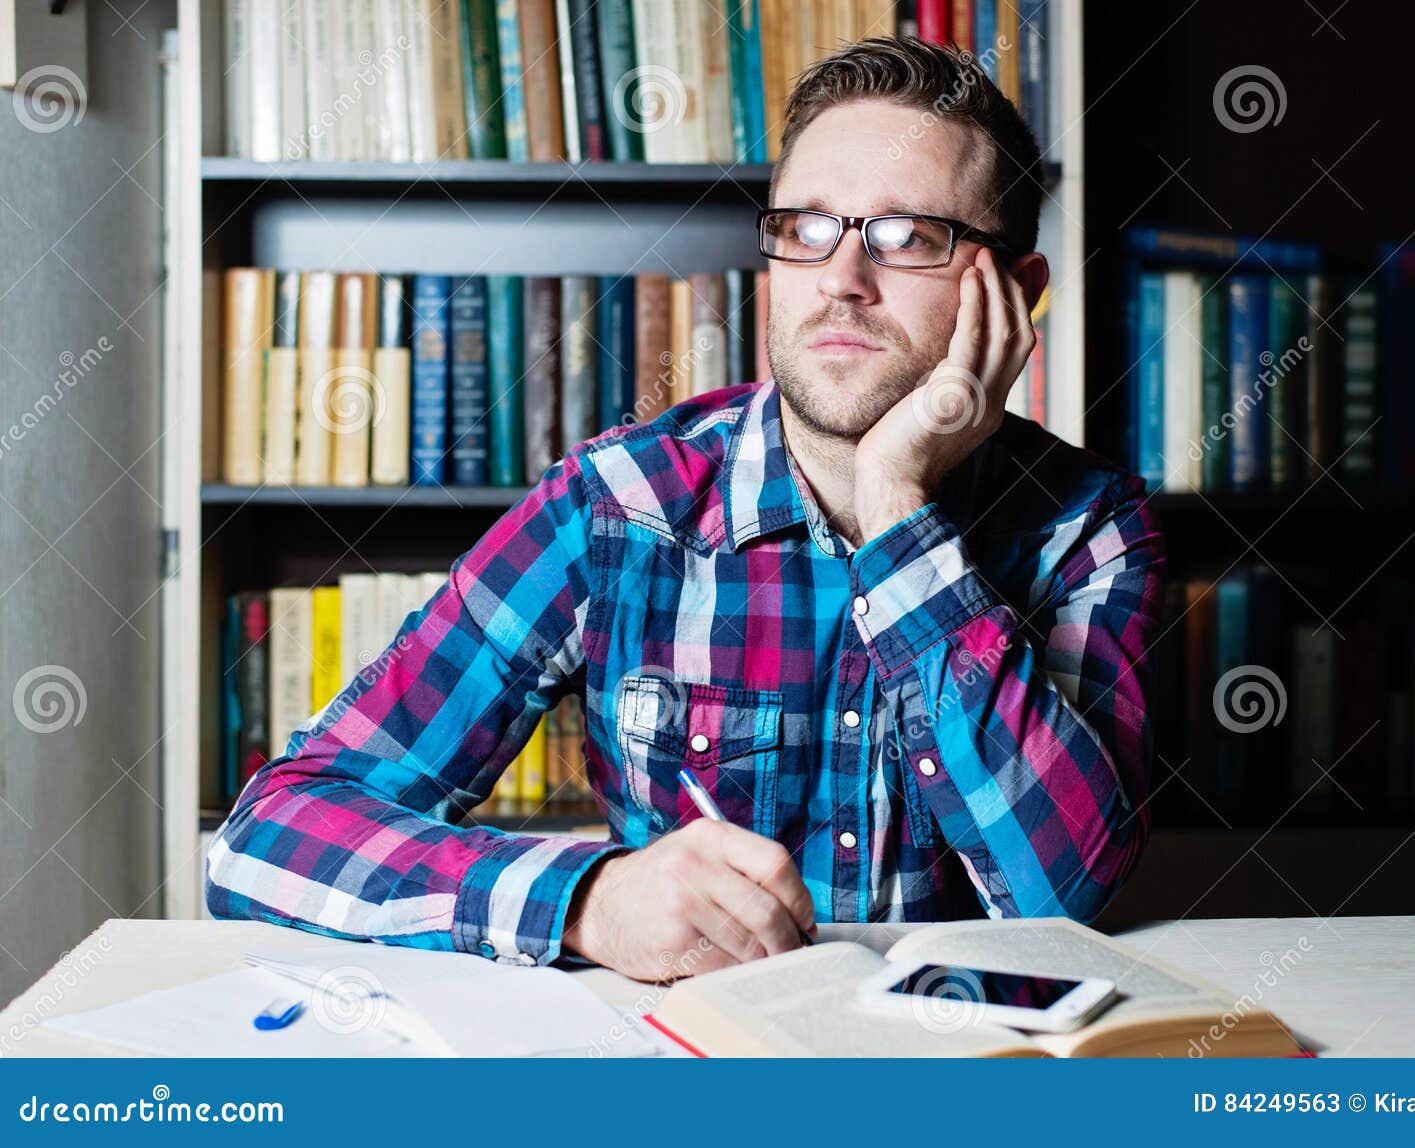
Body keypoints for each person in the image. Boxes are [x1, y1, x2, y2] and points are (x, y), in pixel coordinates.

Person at [206, 36, 1166, 982]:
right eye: (806, 227)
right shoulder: (618, 507)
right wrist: (586, 901)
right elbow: (271, 833)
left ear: (1016, 295)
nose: (841, 280)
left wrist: (896, 506)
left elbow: (1062, 893)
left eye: (908, 236)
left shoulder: (1085, 527)